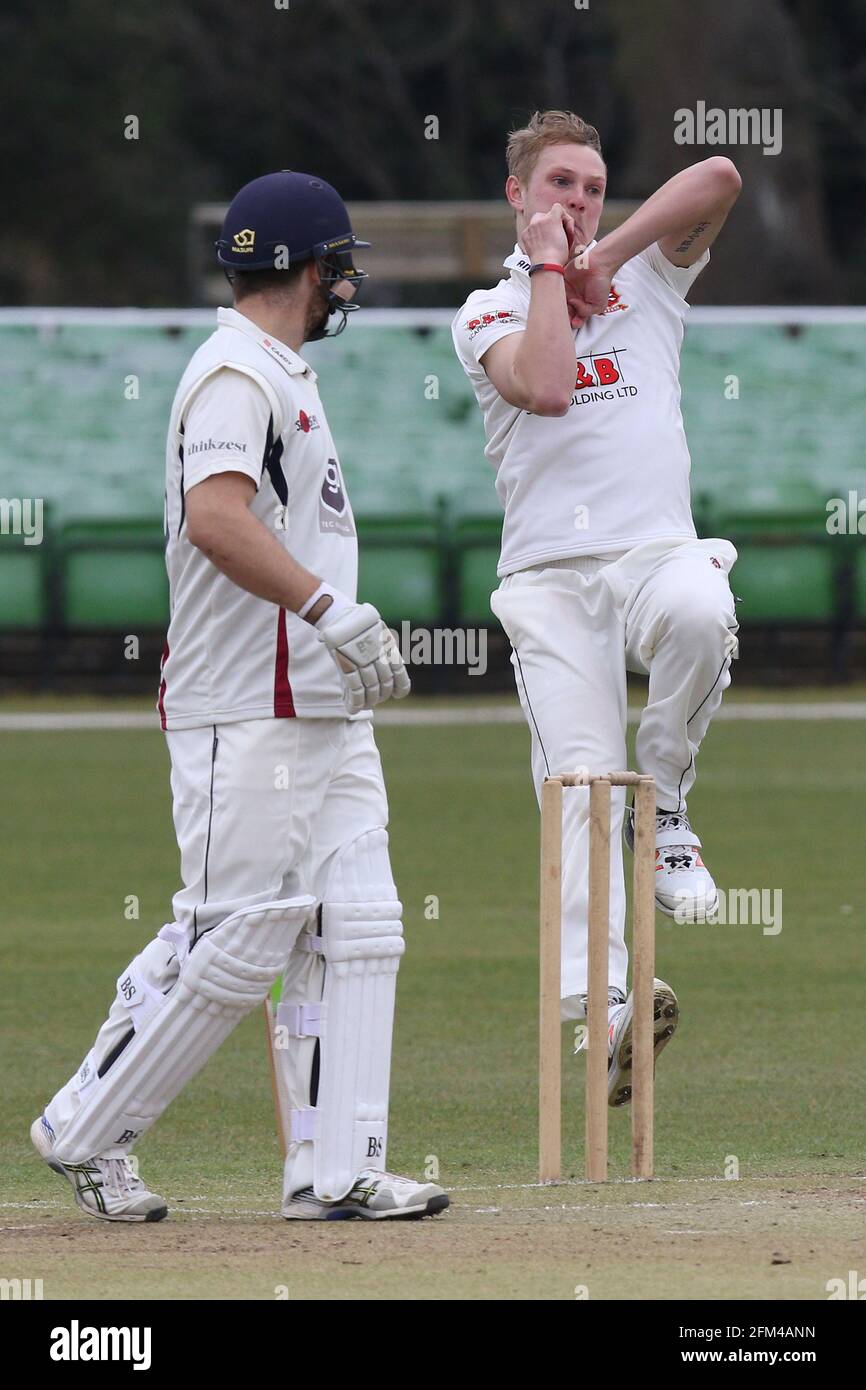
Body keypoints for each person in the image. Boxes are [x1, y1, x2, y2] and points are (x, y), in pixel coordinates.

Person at [32, 170, 448, 1221]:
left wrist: (334, 640)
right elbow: (216, 516)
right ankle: (84, 1128)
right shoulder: (234, 375)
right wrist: (326, 608)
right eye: (339, 264)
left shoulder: (281, 372)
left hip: (317, 701)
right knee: (236, 932)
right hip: (244, 704)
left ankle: (336, 1168)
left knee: (359, 923)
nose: (345, 283)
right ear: (308, 267)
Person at [452, 110, 741, 1104]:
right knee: (576, 786)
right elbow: (543, 386)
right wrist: (550, 277)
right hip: (549, 580)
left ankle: (660, 810)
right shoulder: (484, 311)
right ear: (517, 197)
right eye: (557, 185)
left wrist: (604, 258)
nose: (574, 200)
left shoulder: (648, 277)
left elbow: (717, 175)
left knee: (702, 607)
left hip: (653, 551)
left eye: (588, 184)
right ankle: (608, 1009)